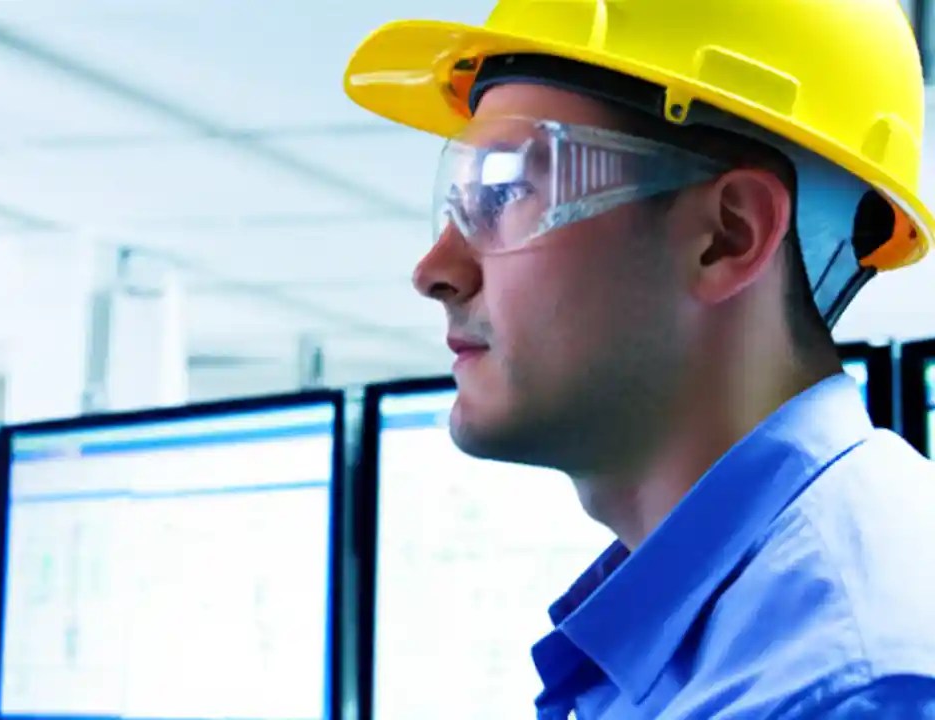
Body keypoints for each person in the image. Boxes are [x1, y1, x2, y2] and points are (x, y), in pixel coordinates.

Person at [343, 1, 935, 718]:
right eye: (458, 201)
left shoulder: (850, 688)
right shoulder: (737, 644)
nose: (436, 269)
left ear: (727, 234)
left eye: (505, 193)